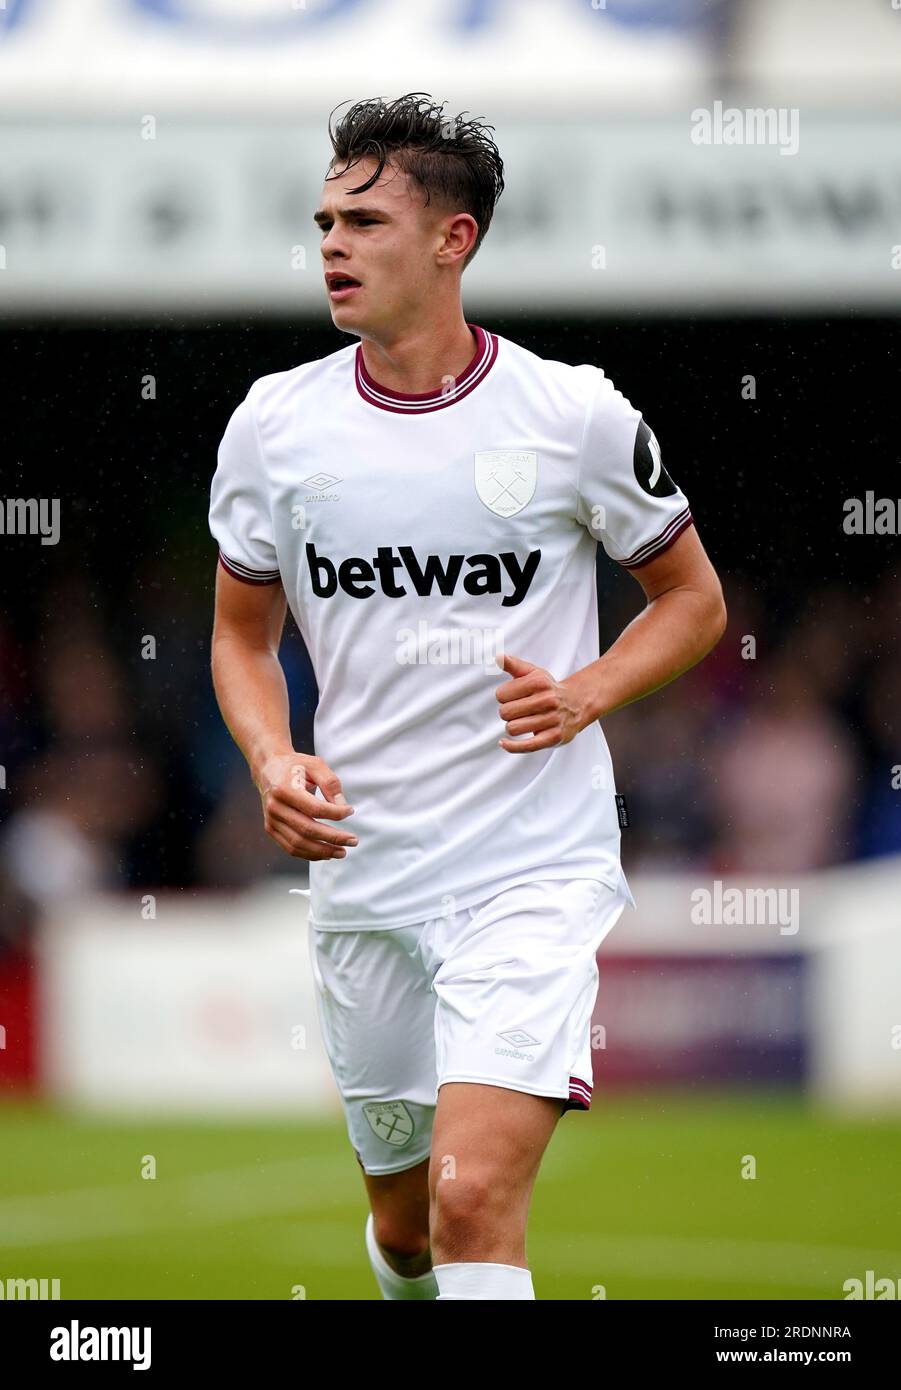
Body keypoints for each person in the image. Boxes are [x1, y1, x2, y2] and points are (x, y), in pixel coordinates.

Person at [208, 92, 726, 1301]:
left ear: (454, 240)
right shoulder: (274, 424)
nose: (332, 243)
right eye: (324, 219)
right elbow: (240, 639)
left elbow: (693, 602)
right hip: (364, 869)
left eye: (366, 221)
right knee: (405, 1224)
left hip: (524, 868)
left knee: (471, 1196)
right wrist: (270, 757)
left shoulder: (571, 414)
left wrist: (588, 689)